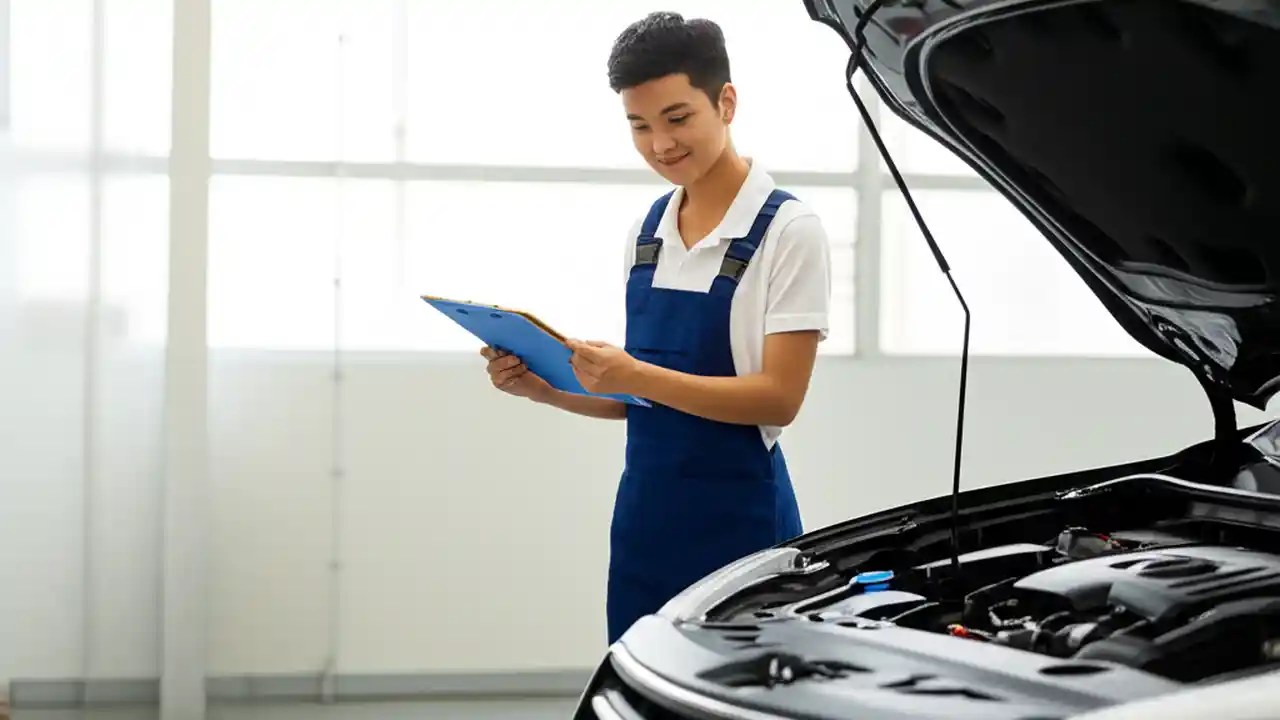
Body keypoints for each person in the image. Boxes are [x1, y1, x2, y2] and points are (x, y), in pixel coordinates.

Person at [480, 11, 832, 644]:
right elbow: (644, 405)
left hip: (741, 525)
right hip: (646, 520)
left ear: (726, 102)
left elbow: (780, 397)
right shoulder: (650, 231)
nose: (659, 145)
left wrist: (634, 373)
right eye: (639, 126)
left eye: (676, 119)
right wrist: (544, 387)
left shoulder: (789, 230)